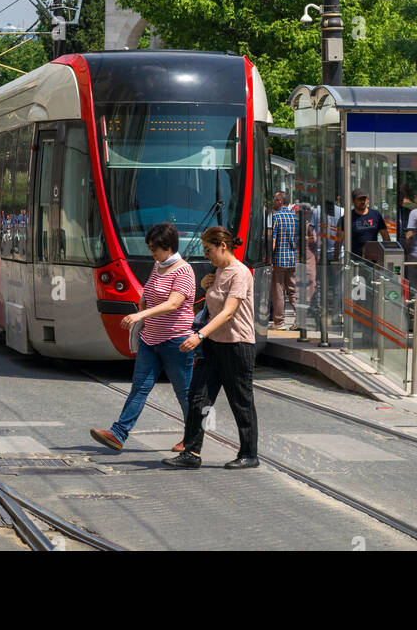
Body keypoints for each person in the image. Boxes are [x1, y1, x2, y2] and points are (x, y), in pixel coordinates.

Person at [90, 222, 195, 453]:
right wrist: (143, 304)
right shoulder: (158, 265)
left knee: (184, 392)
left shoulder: (183, 270)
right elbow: (148, 292)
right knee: (139, 387)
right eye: (149, 247)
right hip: (150, 339)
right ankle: (118, 434)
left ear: (167, 247)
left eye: (154, 248)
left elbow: (174, 303)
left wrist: (141, 315)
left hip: (175, 341)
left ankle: (192, 437)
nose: (151, 252)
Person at [163, 226, 258, 470]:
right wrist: (205, 288)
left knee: (241, 401)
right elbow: (207, 310)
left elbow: (228, 312)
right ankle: (191, 452)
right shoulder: (217, 272)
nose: (207, 255)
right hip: (214, 345)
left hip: (237, 345)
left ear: (223, 246)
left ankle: (249, 454)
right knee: (198, 398)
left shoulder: (240, 273)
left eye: (209, 250)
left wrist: (199, 335)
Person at [270, 191, 298, 330]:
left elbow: (273, 240)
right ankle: (299, 320)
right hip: (293, 259)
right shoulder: (295, 217)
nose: (273, 202)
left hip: (279, 260)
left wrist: (270, 257)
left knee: (278, 290)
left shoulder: (276, 217)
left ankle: (279, 322)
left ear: (280, 202)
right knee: (293, 290)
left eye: (275, 200)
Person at [339, 189, 389, 261]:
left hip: (373, 260)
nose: (363, 201)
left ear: (368, 200)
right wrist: (336, 260)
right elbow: (339, 240)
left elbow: (385, 237)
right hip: (354, 260)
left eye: (364, 199)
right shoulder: (347, 218)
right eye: (359, 199)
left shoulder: (376, 215)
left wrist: (386, 258)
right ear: (353, 201)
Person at [405, 202, 417, 291]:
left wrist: (405, 251)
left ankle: (416, 304)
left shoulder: (415, 212)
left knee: (415, 286)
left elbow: (409, 235)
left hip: (415, 256)